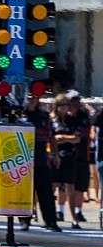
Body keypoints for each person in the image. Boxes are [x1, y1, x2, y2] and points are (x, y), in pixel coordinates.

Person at [20, 92, 61, 232]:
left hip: (41, 157)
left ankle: (51, 221)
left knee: (46, 193)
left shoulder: (43, 115)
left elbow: (52, 136)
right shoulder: (20, 114)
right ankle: (25, 221)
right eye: (29, 97)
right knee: (26, 193)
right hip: (23, 158)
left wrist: (55, 154)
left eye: (34, 97)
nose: (32, 100)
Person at [50, 93, 82, 228]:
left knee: (70, 187)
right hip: (55, 156)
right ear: (56, 106)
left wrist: (62, 137)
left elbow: (77, 138)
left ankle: (74, 219)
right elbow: (52, 139)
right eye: (62, 105)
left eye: (66, 105)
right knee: (53, 186)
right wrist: (59, 143)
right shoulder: (52, 120)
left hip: (69, 154)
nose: (65, 108)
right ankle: (50, 216)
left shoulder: (71, 119)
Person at [67, 91, 92, 223]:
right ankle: (61, 210)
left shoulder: (84, 116)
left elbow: (84, 133)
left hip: (82, 154)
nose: (75, 103)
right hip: (69, 154)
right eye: (73, 100)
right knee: (67, 185)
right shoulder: (66, 117)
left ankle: (78, 211)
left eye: (77, 100)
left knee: (81, 185)